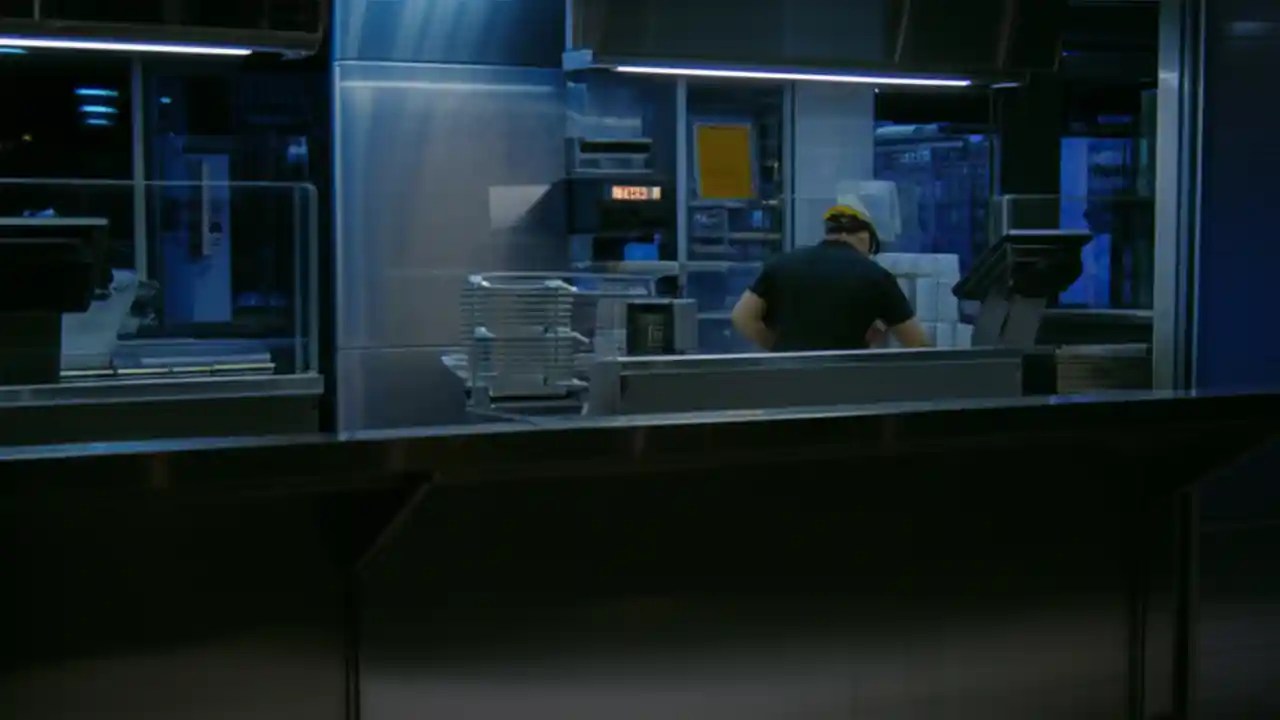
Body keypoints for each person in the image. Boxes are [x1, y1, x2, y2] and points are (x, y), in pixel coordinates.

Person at [730, 205, 930, 352]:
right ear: (865, 237)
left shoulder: (781, 264)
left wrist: (779, 348)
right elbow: (918, 343)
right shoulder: (876, 276)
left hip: (787, 382)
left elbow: (742, 317)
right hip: (844, 383)